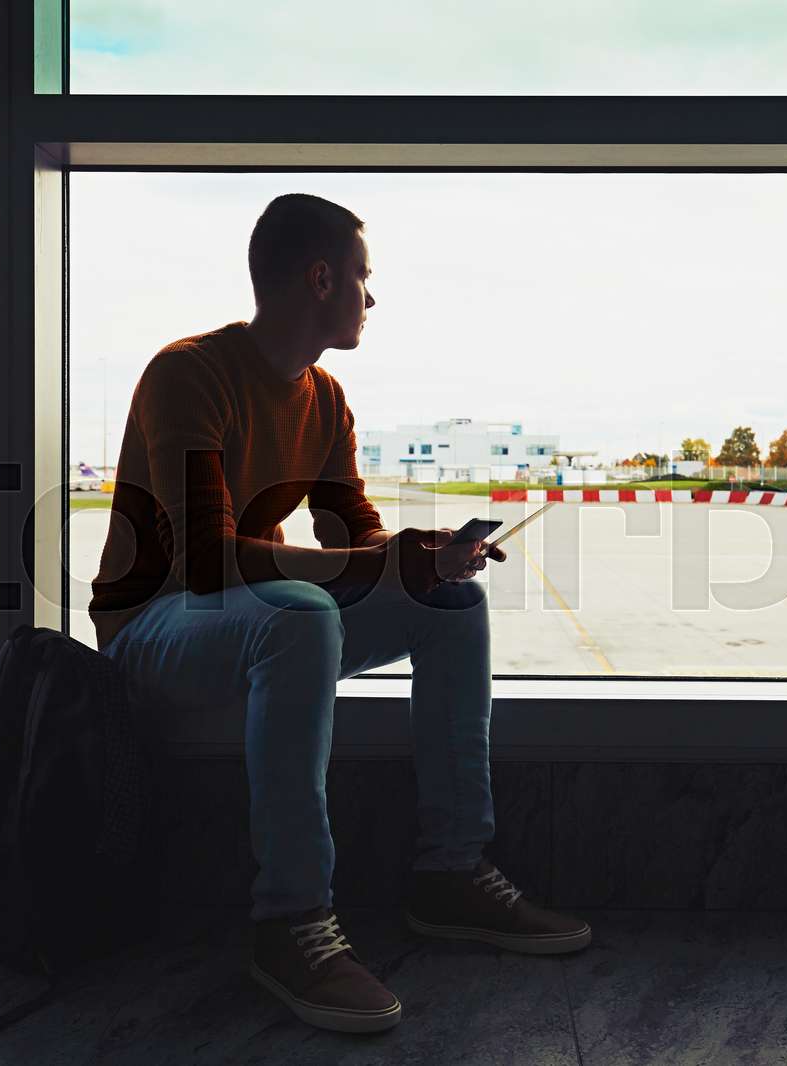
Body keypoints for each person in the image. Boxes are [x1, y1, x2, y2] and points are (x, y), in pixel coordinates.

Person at [87, 193, 590, 1034]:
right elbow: (206, 559)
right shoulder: (189, 373)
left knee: (452, 604)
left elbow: (354, 536)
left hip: (255, 619)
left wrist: (420, 560)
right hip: (153, 625)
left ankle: (451, 872)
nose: (371, 296)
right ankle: (290, 922)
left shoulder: (325, 397)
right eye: (363, 277)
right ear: (321, 279)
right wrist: (380, 563)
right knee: (302, 614)